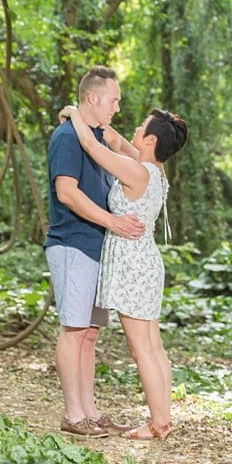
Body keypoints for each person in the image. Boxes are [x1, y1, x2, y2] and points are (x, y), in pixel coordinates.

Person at [59, 102, 189, 441]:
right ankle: (163, 420)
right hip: (146, 262)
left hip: (133, 265)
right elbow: (114, 140)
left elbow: (92, 147)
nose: (134, 129)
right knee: (153, 346)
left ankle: (157, 423)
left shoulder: (136, 172)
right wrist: (101, 122)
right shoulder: (153, 169)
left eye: (140, 127)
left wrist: (74, 113)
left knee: (141, 349)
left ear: (149, 140)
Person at [44, 66, 145, 438]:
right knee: (73, 331)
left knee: (89, 333)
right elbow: (67, 192)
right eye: (113, 100)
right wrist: (113, 222)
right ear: (93, 98)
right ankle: (73, 415)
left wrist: (74, 110)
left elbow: (134, 152)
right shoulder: (67, 138)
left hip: (96, 246)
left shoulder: (96, 135)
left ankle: (90, 411)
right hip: (72, 243)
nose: (117, 107)